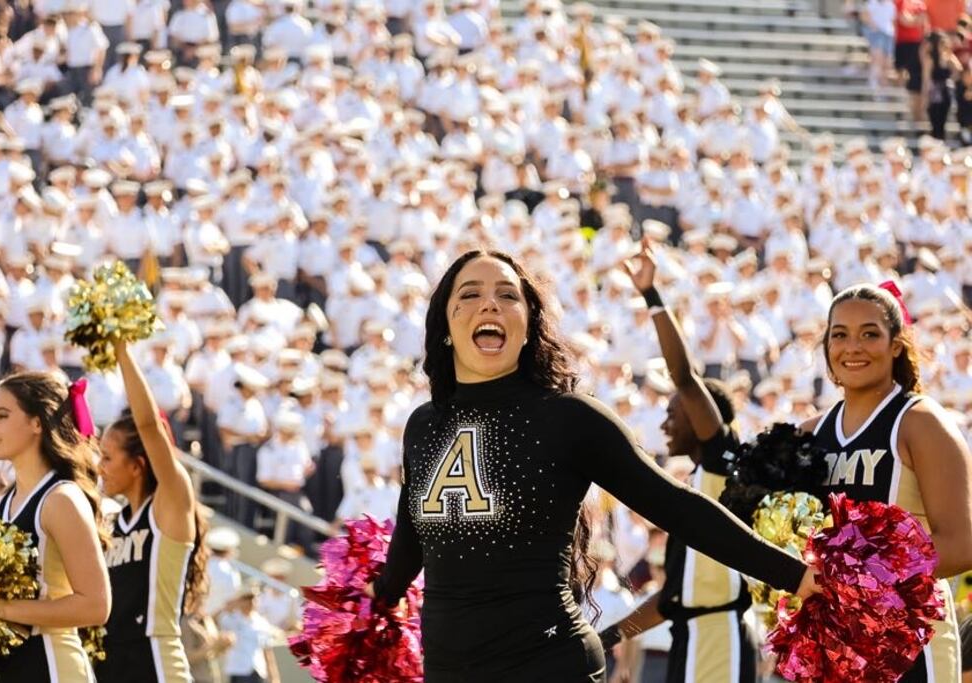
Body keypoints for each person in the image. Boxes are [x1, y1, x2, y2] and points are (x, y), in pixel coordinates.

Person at [366, 250, 817, 682]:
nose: (489, 303)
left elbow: (679, 508)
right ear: (445, 322)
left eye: (507, 295)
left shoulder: (569, 417)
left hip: (547, 667)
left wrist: (795, 576)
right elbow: (410, 541)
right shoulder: (423, 425)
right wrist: (373, 597)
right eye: (469, 294)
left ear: (528, 325)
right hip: (447, 672)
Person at [605, 238, 757, 683]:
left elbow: (686, 378)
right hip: (690, 637)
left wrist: (651, 295)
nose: (665, 425)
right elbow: (674, 596)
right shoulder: (692, 486)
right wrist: (605, 639)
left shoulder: (722, 462)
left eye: (674, 413)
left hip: (720, 636)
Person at [803, 284, 972, 682]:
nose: (853, 346)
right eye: (840, 334)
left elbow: (962, 544)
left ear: (896, 345)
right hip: (835, 641)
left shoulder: (921, 422)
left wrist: (860, 577)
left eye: (870, 333)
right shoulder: (806, 436)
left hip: (912, 640)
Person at [0, 372, 111, 682]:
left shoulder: (61, 499)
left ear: (37, 422)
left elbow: (96, 605)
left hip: (53, 667)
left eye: (2, 415)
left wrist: (3, 609)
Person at [94, 339, 207, 682]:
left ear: (138, 464)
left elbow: (149, 427)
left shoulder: (169, 503)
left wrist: (122, 353)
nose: (100, 467)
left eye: (108, 458)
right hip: (108, 665)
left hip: (155, 664)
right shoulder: (111, 522)